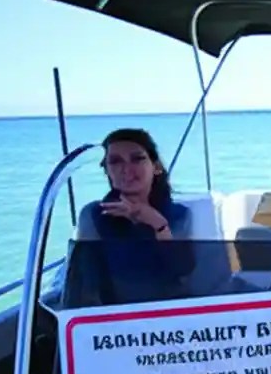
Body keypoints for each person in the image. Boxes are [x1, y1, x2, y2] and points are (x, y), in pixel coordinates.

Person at [65, 128, 195, 307]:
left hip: (171, 315)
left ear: (156, 167)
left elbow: (182, 272)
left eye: (137, 158)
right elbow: (87, 282)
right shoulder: (93, 215)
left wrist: (158, 224)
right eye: (115, 161)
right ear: (107, 171)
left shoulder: (180, 215)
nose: (126, 169)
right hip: (115, 319)